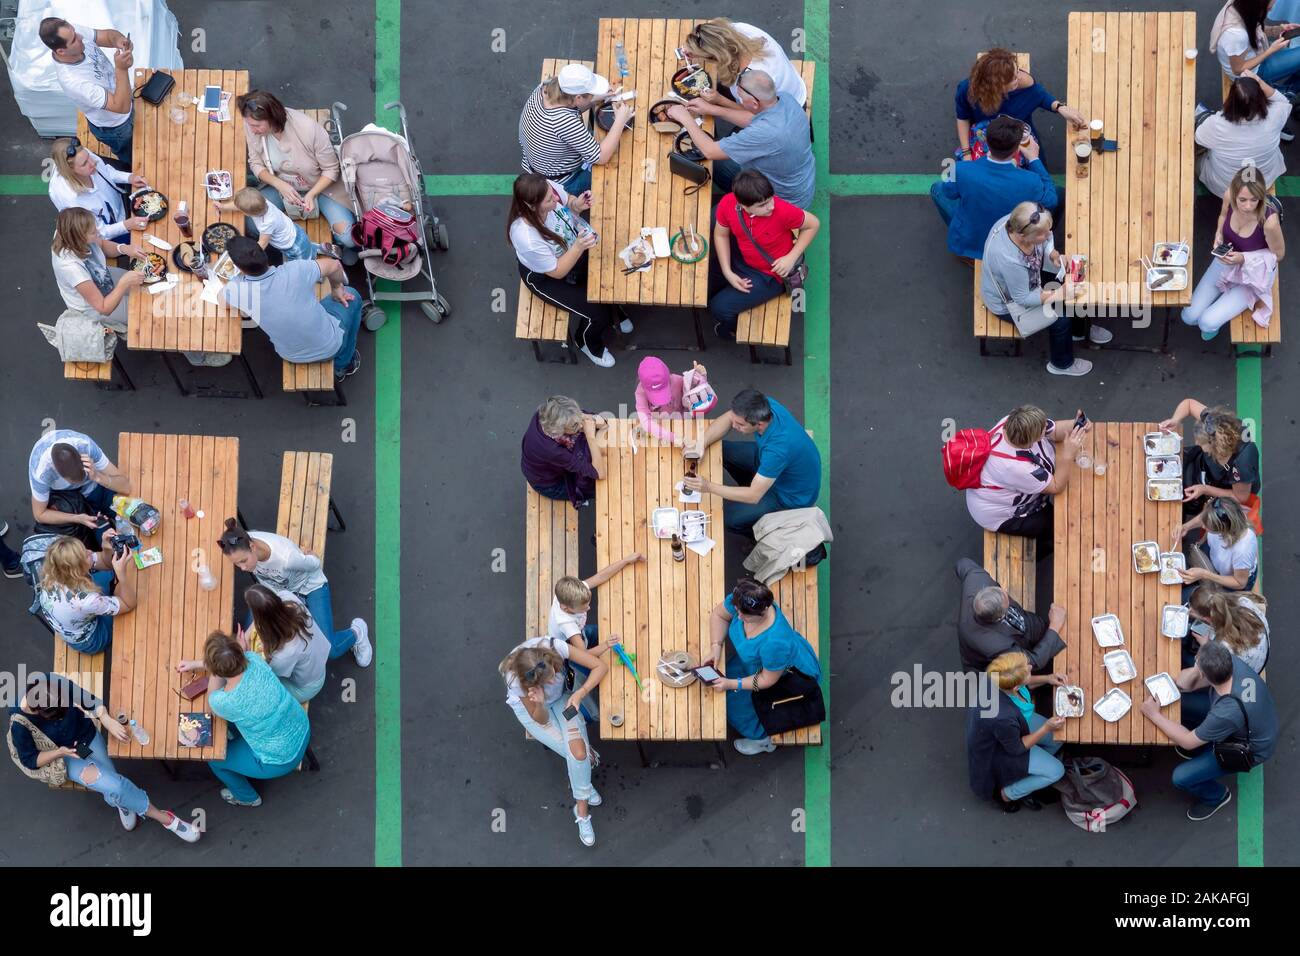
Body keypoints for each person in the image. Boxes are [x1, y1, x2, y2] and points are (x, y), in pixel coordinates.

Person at [9, 673, 199, 841]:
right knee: (115, 785)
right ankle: (166, 819)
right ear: (40, 712)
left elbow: (88, 700)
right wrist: (60, 752)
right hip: (67, 756)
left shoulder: (50, 683)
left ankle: (123, 804)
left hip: (87, 737)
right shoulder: (19, 725)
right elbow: (31, 761)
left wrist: (105, 719)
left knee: (113, 786)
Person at [1142, 640, 1276, 821]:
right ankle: (1204, 746)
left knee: (1181, 777)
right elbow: (1186, 684)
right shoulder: (1230, 663)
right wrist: (1186, 675)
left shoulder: (1225, 713)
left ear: (1205, 673)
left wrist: (1154, 715)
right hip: (1245, 723)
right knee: (1183, 704)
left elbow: (1187, 742)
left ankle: (1216, 796)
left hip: (1248, 748)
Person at [508, 173, 628, 368]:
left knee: (608, 275)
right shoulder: (526, 237)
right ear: (532, 206)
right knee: (597, 314)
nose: (555, 198)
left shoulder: (546, 187)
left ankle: (613, 308)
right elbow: (557, 272)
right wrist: (579, 247)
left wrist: (577, 205)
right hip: (546, 277)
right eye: (549, 199)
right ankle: (587, 342)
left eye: (552, 193)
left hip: (570, 248)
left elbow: (567, 202)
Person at [215, 519, 372, 666]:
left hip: (310, 588)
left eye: (243, 561)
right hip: (278, 592)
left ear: (252, 546)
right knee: (250, 643)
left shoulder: (287, 559)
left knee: (331, 650)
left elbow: (315, 564)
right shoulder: (245, 541)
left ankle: (357, 633)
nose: (242, 568)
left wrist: (308, 558)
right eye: (236, 564)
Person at [181, 630, 311, 807]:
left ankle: (247, 798)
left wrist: (210, 668)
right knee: (237, 723)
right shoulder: (255, 660)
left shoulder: (224, 701)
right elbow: (234, 663)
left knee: (214, 760)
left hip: (280, 759)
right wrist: (202, 664)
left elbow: (211, 703)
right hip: (300, 725)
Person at [499, 636, 608, 846]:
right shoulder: (515, 681)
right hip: (536, 711)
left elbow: (600, 666)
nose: (551, 680)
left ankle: (581, 809)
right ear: (531, 683)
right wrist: (539, 704)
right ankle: (583, 799)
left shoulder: (554, 646)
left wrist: (579, 694)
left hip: (564, 700)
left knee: (578, 753)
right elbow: (541, 719)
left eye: (553, 673)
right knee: (579, 755)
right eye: (545, 681)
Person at [980, 202, 1107, 376]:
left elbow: (1045, 241)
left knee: (1071, 281)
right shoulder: (1009, 260)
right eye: (1042, 233)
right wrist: (1059, 293)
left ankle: (1079, 332)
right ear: (1024, 236)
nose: (1048, 234)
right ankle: (1061, 364)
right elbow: (1023, 299)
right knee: (1060, 320)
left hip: (1030, 279)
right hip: (1007, 303)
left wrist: (1053, 254)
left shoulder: (1018, 222)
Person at [705, 577, 822, 755]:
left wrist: (732, 684)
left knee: (737, 707)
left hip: (782, 678)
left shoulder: (775, 643)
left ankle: (762, 739)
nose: (739, 616)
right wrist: (715, 646)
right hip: (753, 665)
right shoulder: (744, 599)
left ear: (763, 610)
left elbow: (767, 680)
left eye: (745, 615)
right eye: (737, 610)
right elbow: (720, 615)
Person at [666, 69, 815, 208]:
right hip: (796, 179)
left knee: (717, 218)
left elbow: (710, 151)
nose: (741, 102)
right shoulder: (785, 99)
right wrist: (712, 109)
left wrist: (685, 118)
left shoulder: (765, 133)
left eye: (742, 99)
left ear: (755, 103)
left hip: (779, 200)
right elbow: (753, 119)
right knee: (715, 163)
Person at [683, 389, 821, 535]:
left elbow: (753, 496)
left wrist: (708, 486)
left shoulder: (778, 450)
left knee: (728, 519)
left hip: (789, 496)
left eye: (740, 425)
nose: (734, 426)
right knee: (720, 451)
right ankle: (752, 482)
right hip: (772, 464)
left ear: (759, 424)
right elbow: (729, 417)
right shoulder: (764, 405)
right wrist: (701, 445)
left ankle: (761, 536)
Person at [222, 236, 361, 381]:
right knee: (352, 294)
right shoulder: (295, 270)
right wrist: (337, 288)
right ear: (265, 254)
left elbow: (224, 302)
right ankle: (343, 364)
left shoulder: (236, 290)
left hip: (291, 355)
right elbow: (335, 265)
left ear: (239, 268)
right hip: (330, 346)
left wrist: (236, 279)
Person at [237, 91, 358, 256]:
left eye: (257, 126)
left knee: (348, 238)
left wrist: (312, 194)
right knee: (250, 224)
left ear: (272, 118)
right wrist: (280, 185)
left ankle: (338, 244)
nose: (252, 130)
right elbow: (256, 163)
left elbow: (331, 169)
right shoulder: (252, 126)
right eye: (249, 125)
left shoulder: (308, 130)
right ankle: (308, 244)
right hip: (280, 186)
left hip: (320, 188)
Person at [708, 169, 820, 340]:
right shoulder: (727, 203)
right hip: (740, 258)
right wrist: (727, 272)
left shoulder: (782, 210)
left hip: (770, 275)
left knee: (719, 308)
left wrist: (790, 258)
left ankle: (731, 328)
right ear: (743, 205)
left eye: (770, 199)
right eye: (763, 205)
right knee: (703, 284)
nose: (771, 206)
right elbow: (720, 234)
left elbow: (813, 224)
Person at [930, 115, 1058, 262]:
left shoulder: (958, 169)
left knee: (937, 188)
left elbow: (948, 192)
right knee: (1059, 193)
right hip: (1006, 243)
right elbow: (1051, 200)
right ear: (1017, 149)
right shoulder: (1031, 181)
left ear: (986, 141)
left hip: (969, 241)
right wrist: (1034, 159)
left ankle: (967, 256)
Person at [1181, 167, 1284, 341]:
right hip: (1226, 261)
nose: (1248, 206)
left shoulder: (1269, 222)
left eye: (1254, 200)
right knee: (1188, 316)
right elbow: (1222, 216)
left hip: (1253, 276)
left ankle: (1213, 325)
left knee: (1206, 322)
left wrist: (1244, 258)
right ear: (1234, 194)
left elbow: (1278, 255)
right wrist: (1218, 234)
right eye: (1242, 200)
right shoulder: (1229, 195)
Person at [963, 405, 1088, 545]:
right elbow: (1056, 486)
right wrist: (1067, 455)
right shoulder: (1014, 467)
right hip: (1002, 515)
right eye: (1043, 429)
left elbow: (1055, 429)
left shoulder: (1013, 424)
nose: (1046, 426)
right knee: (1058, 527)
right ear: (1031, 440)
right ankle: (1040, 554)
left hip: (1008, 489)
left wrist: (1077, 425)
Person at [966, 651, 1067, 812]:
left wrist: (1048, 678)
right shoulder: (1002, 717)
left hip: (1020, 722)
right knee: (1057, 771)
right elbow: (1016, 748)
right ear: (1016, 687)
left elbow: (1025, 683)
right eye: (1027, 669)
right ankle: (1008, 794)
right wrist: (1046, 728)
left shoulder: (998, 676)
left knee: (1060, 736)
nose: (1030, 666)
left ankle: (1035, 770)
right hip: (1001, 750)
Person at [518, 63, 632, 196]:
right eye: (590, 95)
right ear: (577, 98)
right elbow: (601, 157)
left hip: (537, 160)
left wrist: (595, 99)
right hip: (563, 180)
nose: (592, 96)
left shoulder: (544, 89)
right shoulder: (564, 122)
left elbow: (574, 107)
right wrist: (620, 120)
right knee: (620, 167)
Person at [953, 49, 1086, 160]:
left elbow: (1040, 96)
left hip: (1017, 134)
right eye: (1014, 78)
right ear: (997, 87)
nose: (1020, 76)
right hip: (984, 135)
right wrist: (966, 153)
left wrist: (1060, 107)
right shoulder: (967, 90)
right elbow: (963, 118)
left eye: (1017, 71)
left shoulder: (1024, 84)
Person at [39, 18, 135, 165]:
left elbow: (107, 36)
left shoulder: (72, 34)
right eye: (74, 40)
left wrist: (120, 41)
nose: (81, 36)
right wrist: (121, 69)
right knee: (132, 158)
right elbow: (121, 107)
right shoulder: (73, 81)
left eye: (75, 32)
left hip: (126, 97)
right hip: (115, 126)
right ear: (61, 51)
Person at [681, 18, 808, 122]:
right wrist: (697, 48)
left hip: (784, 111)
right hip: (787, 84)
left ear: (717, 57)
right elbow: (713, 30)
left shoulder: (750, 80)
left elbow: (754, 115)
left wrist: (719, 101)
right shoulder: (739, 30)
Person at [954, 558, 1065, 674]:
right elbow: (1032, 662)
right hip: (994, 663)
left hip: (1022, 627)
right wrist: (1055, 626)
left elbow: (961, 563)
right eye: (1008, 605)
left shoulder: (975, 578)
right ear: (999, 618)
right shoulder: (994, 645)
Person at [1179, 584, 1269, 725]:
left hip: (1237, 679)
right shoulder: (1244, 602)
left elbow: (1186, 683)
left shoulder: (1222, 649)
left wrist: (1206, 645)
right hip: (1256, 656)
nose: (1189, 611)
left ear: (1207, 618)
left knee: (1182, 694)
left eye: (1193, 611)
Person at [51, 207, 147, 334]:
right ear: (79, 238)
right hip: (94, 307)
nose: (97, 231)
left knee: (145, 285)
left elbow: (101, 244)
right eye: (92, 232)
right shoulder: (71, 268)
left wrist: (123, 248)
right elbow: (103, 308)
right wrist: (124, 283)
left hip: (102, 276)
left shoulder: (68, 233)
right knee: (145, 310)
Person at [1196, 71, 1291, 197]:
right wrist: (1258, 81)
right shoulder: (1275, 115)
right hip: (1262, 182)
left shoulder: (1218, 124)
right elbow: (1283, 101)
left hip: (1224, 187)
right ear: (1261, 99)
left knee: (1198, 157)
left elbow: (1199, 137)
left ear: (1231, 101)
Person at [36, 533, 135, 654]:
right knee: (125, 590)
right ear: (77, 570)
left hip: (71, 622)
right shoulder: (88, 600)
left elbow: (105, 563)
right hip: (90, 639)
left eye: (84, 549)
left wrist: (106, 547)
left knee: (110, 576)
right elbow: (129, 604)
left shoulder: (54, 570)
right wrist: (122, 575)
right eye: (85, 555)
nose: (90, 551)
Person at [1159, 399, 1260, 517]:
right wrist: (1175, 420)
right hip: (1210, 468)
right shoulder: (1214, 423)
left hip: (1230, 485)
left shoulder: (1242, 464)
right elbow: (1189, 404)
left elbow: (1241, 497)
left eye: (1201, 443)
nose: (1197, 443)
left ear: (1215, 445)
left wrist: (1205, 489)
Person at [28, 429, 130, 538]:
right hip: (72, 503)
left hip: (96, 487)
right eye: (73, 481)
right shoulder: (41, 473)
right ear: (56, 471)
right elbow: (40, 514)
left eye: (84, 476)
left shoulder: (86, 446)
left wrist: (98, 477)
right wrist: (77, 518)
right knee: (108, 541)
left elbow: (126, 486)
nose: (81, 482)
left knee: (132, 512)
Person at [240, 585, 332, 703]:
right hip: (318, 660)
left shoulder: (283, 655)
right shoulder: (287, 597)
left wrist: (244, 653)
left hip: (306, 687)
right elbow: (262, 620)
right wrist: (246, 636)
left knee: (254, 689)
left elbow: (266, 674)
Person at [47, 138, 148, 240]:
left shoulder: (83, 156)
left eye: (89, 156)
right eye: (84, 164)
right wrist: (127, 225)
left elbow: (106, 171)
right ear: (71, 171)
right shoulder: (72, 201)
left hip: (120, 210)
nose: (93, 163)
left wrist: (129, 178)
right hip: (108, 235)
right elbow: (97, 232)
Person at [521, 396, 607, 508]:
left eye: (578, 416)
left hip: (551, 465)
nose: (581, 425)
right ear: (558, 431)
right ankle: (580, 498)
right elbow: (600, 473)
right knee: (598, 489)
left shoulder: (548, 414)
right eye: (575, 425)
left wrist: (581, 417)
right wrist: (590, 436)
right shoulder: (551, 449)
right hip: (548, 483)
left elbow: (604, 423)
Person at [213, 187, 337, 263]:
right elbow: (239, 205)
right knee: (306, 247)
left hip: (292, 246)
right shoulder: (262, 202)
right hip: (295, 232)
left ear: (246, 213)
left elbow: (262, 244)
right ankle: (319, 248)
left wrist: (246, 256)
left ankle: (316, 270)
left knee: (299, 265)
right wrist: (223, 206)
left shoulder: (266, 224)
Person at [1173, 496, 1259, 595]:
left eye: (1207, 526)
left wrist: (1205, 574)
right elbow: (1205, 517)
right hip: (1216, 558)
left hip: (1232, 582)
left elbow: (1240, 583)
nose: (1203, 526)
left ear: (1222, 529)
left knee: (1191, 595)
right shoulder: (1227, 516)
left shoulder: (1243, 550)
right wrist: (1186, 526)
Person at [1211, 0, 1300, 92]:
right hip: (1250, 73)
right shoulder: (1236, 35)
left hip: (1254, 54)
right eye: (1268, 9)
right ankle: (1288, 91)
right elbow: (1238, 69)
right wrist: (1270, 51)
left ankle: (1283, 89)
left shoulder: (1238, 6)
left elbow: (1252, 27)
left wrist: (1277, 29)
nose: (1271, 9)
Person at [634, 357, 711, 446]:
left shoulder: (678, 380)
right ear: (644, 386)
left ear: (668, 377)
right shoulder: (640, 393)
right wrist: (673, 438)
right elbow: (646, 422)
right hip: (659, 430)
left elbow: (699, 398)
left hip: (684, 424)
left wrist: (701, 378)